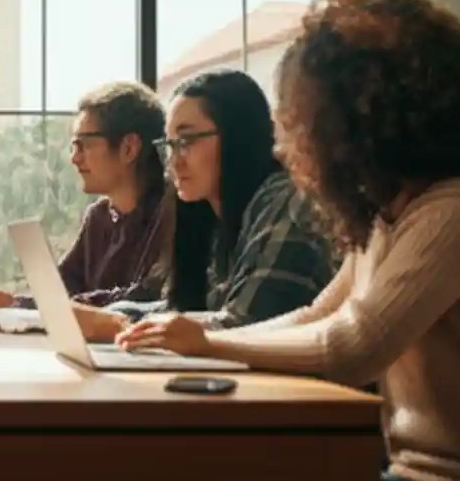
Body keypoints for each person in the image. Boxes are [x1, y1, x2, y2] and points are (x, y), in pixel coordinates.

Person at [116, 0, 460, 481]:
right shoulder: (392, 215)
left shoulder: (459, 210)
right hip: (409, 480)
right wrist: (189, 341)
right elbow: (320, 313)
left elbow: (353, 344)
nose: (297, 140)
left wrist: (210, 345)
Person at [71, 69, 336, 343]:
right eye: (170, 145)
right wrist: (112, 317)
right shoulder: (211, 214)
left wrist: (118, 326)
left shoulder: (286, 202)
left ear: (237, 136)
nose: (174, 162)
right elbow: (183, 310)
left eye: (186, 141)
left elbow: (250, 325)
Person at [0, 81, 168, 310]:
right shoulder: (99, 216)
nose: (74, 158)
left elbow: (147, 297)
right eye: (73, 146)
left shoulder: (176, 213)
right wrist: (11, 304)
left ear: (129, 148)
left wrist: (63, 306)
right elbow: (62, 289)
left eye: (83, 144)